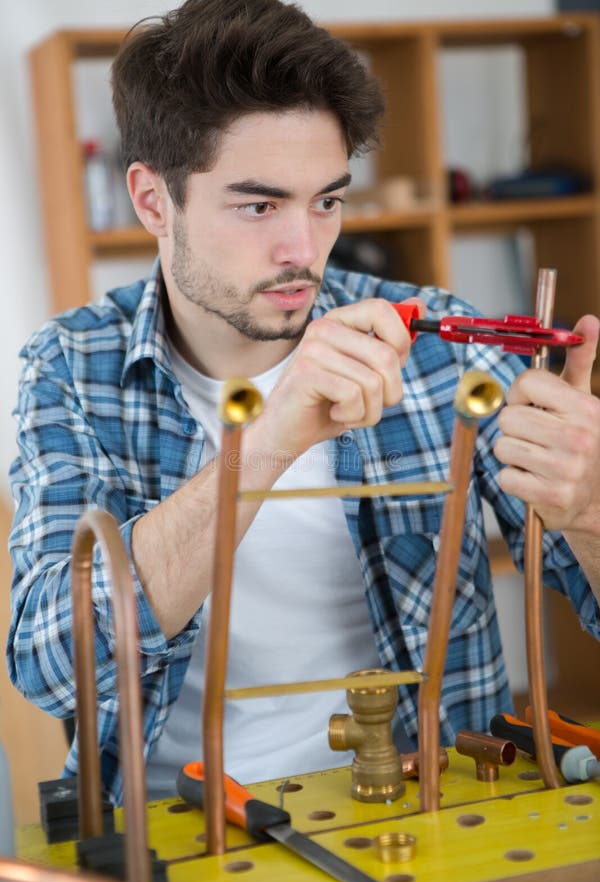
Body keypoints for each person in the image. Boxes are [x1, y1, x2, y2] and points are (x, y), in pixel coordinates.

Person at [7, 0, 600, 806]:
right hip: (187, 836)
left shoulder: (438, 344)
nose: (303, 249)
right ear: (152, 202)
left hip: (437, 820)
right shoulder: (72, 367)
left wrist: (592, 509)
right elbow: (51, 668)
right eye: (258, 206)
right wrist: (270, 437)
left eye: (326, 201)